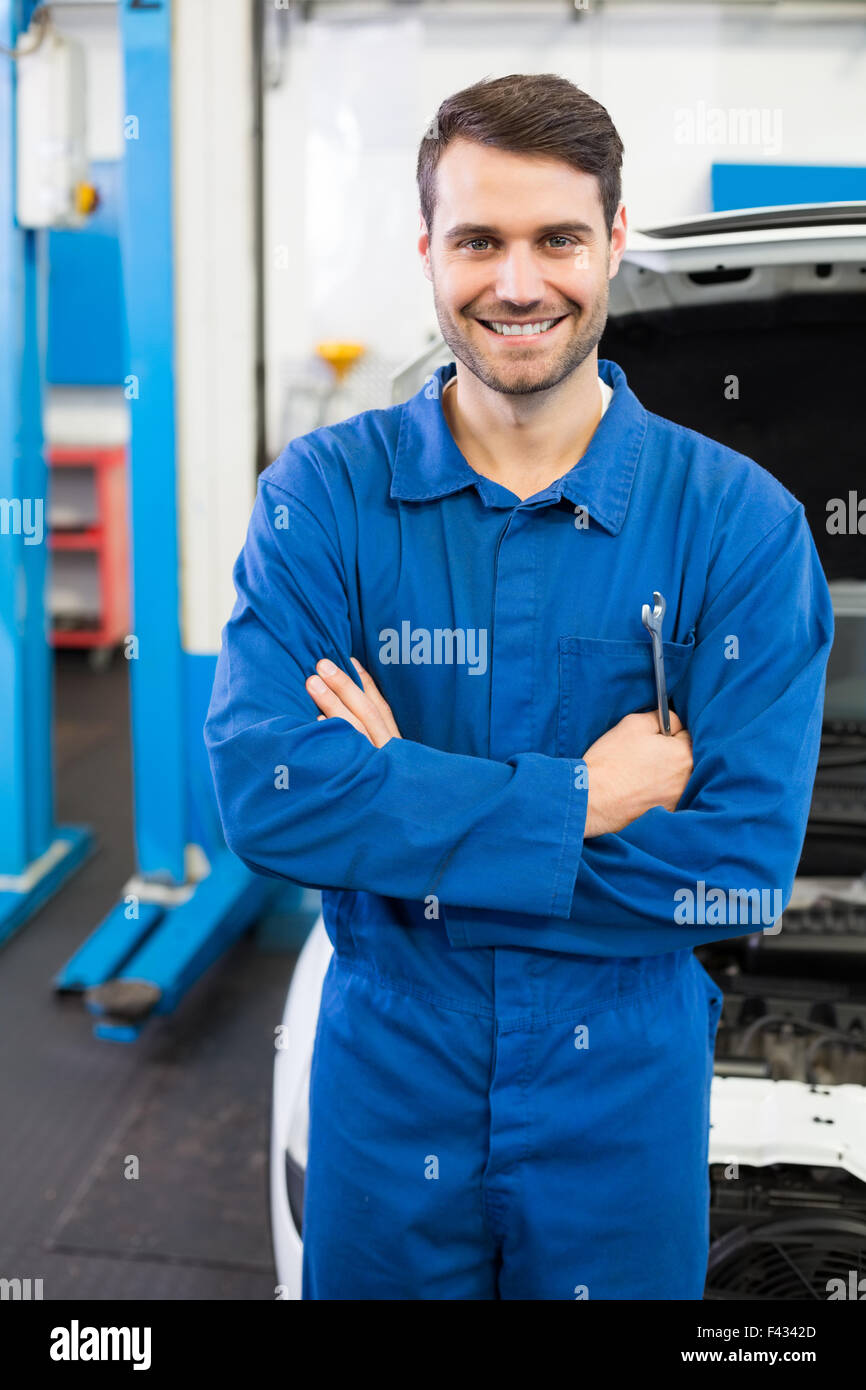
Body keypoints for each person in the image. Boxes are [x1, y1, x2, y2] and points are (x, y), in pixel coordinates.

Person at [204, 73, 833, 1300]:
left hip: (625, 1076)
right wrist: (581, 799)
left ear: (610, 243)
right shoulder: (322, 499)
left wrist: (398, 809)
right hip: (392, 1063)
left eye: (556, 238)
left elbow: (734, 864)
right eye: (479, 239)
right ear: (427, 248)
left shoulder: (739, 527)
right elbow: (268, 798)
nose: (517, 281)